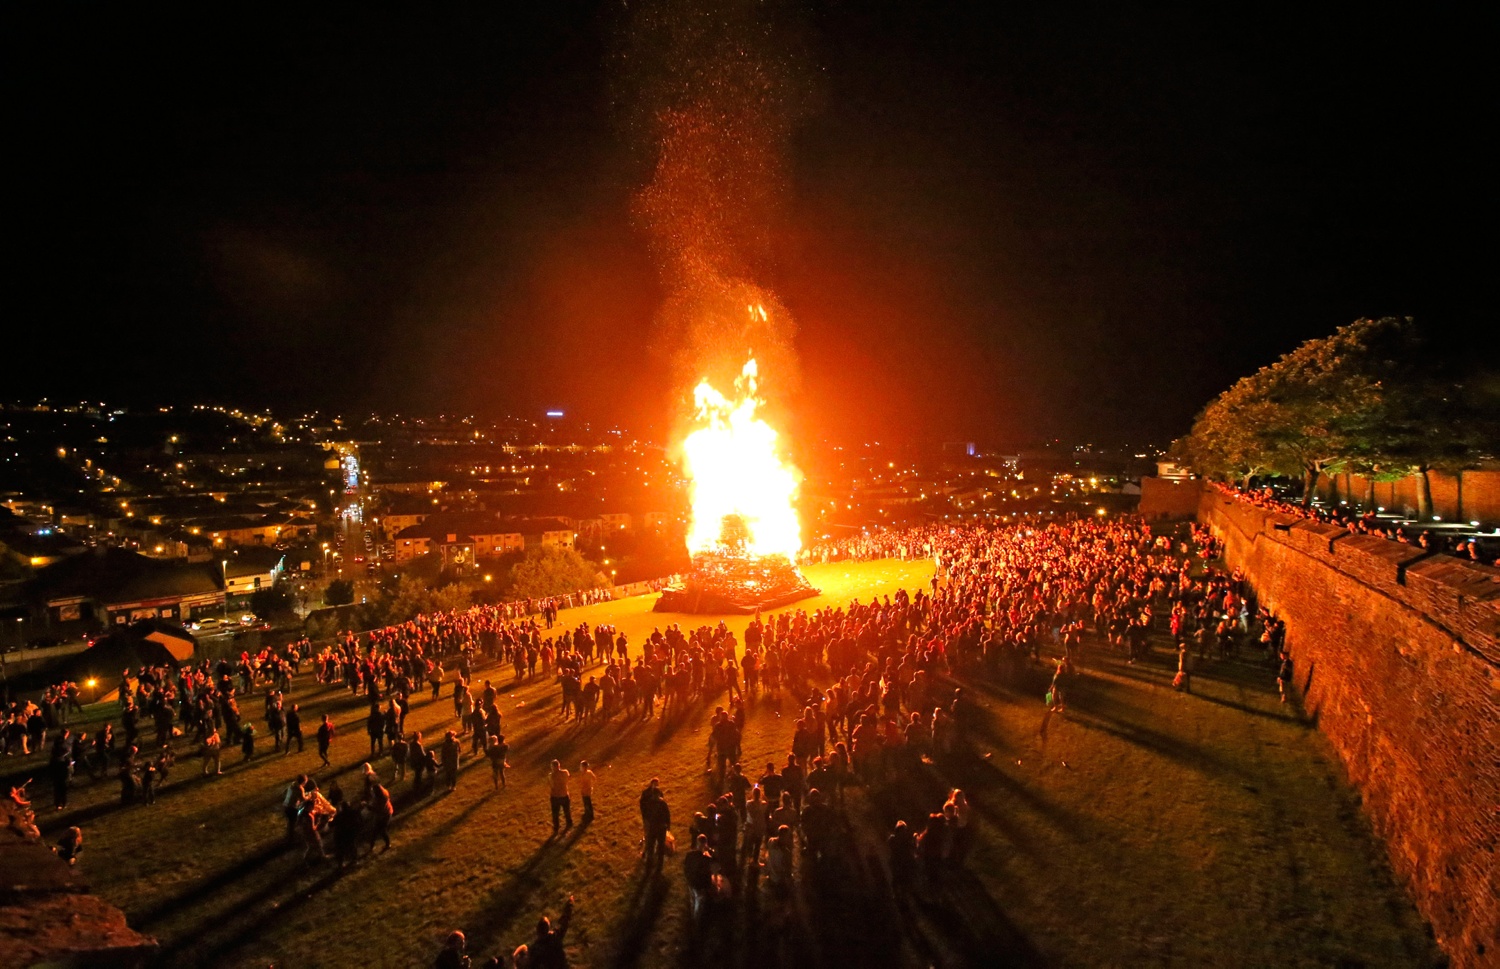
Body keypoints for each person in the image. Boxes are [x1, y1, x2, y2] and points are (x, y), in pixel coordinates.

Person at [529, 895, 574, 969]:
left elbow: (532, 965)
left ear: (538, 930)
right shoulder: (555, 937)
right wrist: (569, 904)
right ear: (548, 927)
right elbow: (564, 921)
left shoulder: (535, 949)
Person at [683, 833, 713, 920]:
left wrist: (688, 877)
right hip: (699, 885)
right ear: (705, 844)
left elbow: (685, 867)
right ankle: (695, 920)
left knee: (692, 899)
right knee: (699, 903)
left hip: (690, 881)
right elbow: (708, 872)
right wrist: (708, 885)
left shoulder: (689, 855)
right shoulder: (706, 859)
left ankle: (690, 917)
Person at [549, 759, 572, 833]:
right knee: (567, 811)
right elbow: (568, 779)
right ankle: (569, 823)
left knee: (555, 813)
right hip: (564, 795)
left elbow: (551, 785)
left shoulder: (551, 775)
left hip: (555, 797)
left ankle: (556, 827)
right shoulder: (565, 772)